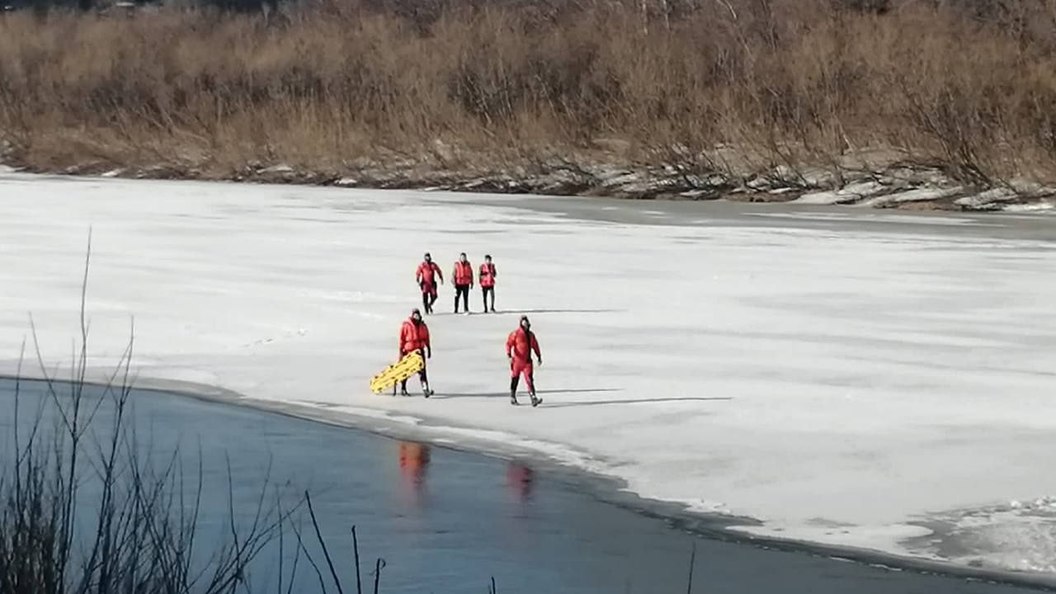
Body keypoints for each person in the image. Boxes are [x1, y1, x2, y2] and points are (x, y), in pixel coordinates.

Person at [505, 315, 542, 406]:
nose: (525, 324)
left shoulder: (530, 335)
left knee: (529, 379)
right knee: (515, 379)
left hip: (527, 362)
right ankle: (513, 396)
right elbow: (508, 344)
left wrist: (539, 356)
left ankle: (533, 397)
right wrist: (509, 355)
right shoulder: (516, 334)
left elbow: (535, 345)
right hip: (517, 361)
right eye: (524, 322)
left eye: (526, 322)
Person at [398, 308, 433, 397]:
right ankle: (403, 388)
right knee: (406, 370)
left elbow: (426, 337)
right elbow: (402, 339)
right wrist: (401, 351)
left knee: (422, 371)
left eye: (418, 315)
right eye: (415, 315)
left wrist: (428, 348)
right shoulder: (406, 326)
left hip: (419, 351)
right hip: (409, 351)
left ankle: (425, 389)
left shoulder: (423, 326)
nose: (416, 317)